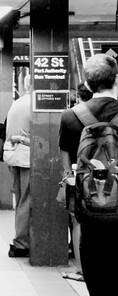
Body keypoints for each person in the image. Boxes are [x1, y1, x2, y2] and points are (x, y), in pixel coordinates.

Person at [65, 53, 118, 296]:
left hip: (90, 219)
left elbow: (70, 171)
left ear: (86, 82)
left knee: (103, 292)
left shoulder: (72, 118)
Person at [58, 81, 94, 281]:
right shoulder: (113, 112)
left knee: (78, 220)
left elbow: (63, 149)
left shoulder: (70, 116)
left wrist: (67, 176)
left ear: (79, 97)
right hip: (109, 176)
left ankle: (82, 270)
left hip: (78, 174)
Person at [3, 83, 31, 256]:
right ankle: (22, 243)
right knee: (28, 201)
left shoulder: (17, 103)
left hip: (13, 155)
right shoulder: (35, 105)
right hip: (27, 157)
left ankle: (20, 240)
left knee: (21, 199)